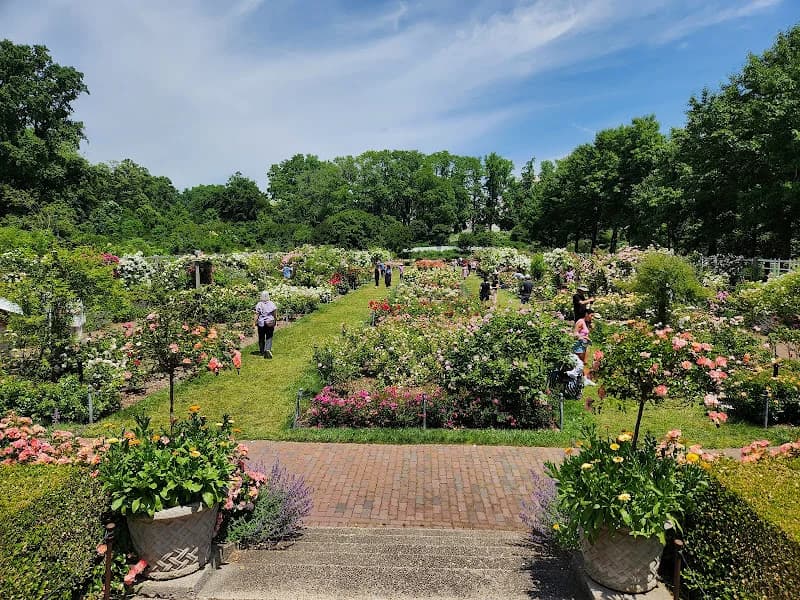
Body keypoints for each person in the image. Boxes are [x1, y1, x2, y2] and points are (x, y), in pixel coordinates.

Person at [573, 309, 596, 389]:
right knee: (579, 363)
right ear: (586, 314)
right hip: (579, 345)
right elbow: (575, 334)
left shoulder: (586, 323)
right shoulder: (580, 322)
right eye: (591, 315)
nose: (592, 317)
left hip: (584, 345)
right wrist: (584, 337)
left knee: (585, 362)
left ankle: (585, 379)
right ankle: (579, 380)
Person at [254, 290, 278, 359]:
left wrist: (254, 322)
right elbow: (274, 313)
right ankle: (267, 349)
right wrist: (276, 320)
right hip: (270, 322)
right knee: (269, 336)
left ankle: (262, 351)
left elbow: (257, 314)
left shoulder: (259, 304)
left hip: (261, 323)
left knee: (261, 337)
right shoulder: (272, 303)